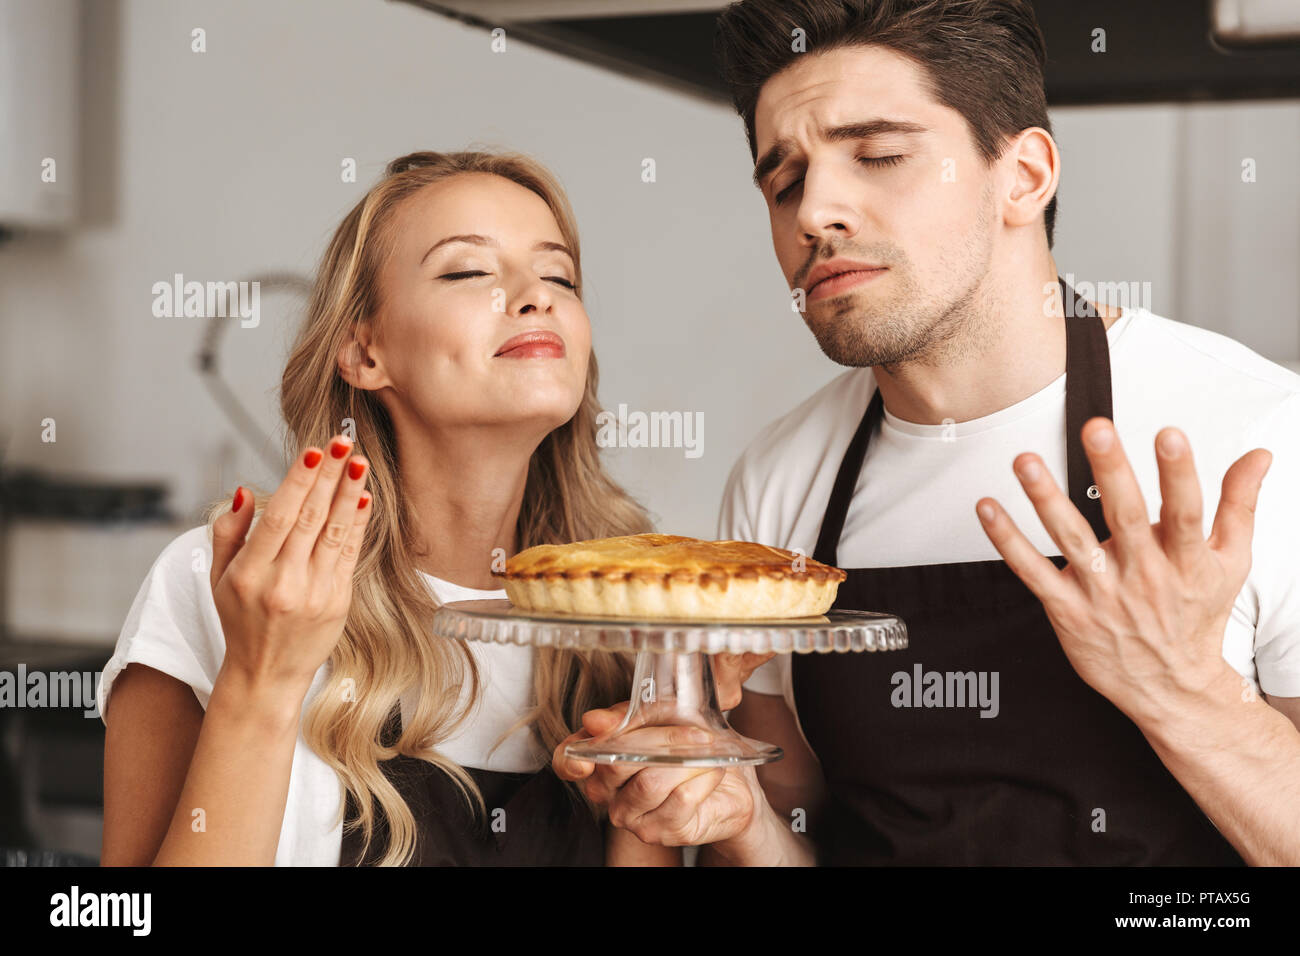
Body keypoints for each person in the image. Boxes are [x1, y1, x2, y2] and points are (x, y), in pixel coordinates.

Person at [555, 0, 1300, 866]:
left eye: (878, 155)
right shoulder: (780, 481)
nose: (815, 212)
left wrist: (1187, 694)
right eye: (784, 181)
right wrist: (745, 820)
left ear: (1023, 177)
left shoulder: (1255, 433)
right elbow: (797, 837)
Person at [98, 149, 682, 866]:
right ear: (364, 350)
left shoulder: (627, 615)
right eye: (470, 271)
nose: (537, 297)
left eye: (558, 274)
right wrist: (262, 680)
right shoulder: (224, 585)